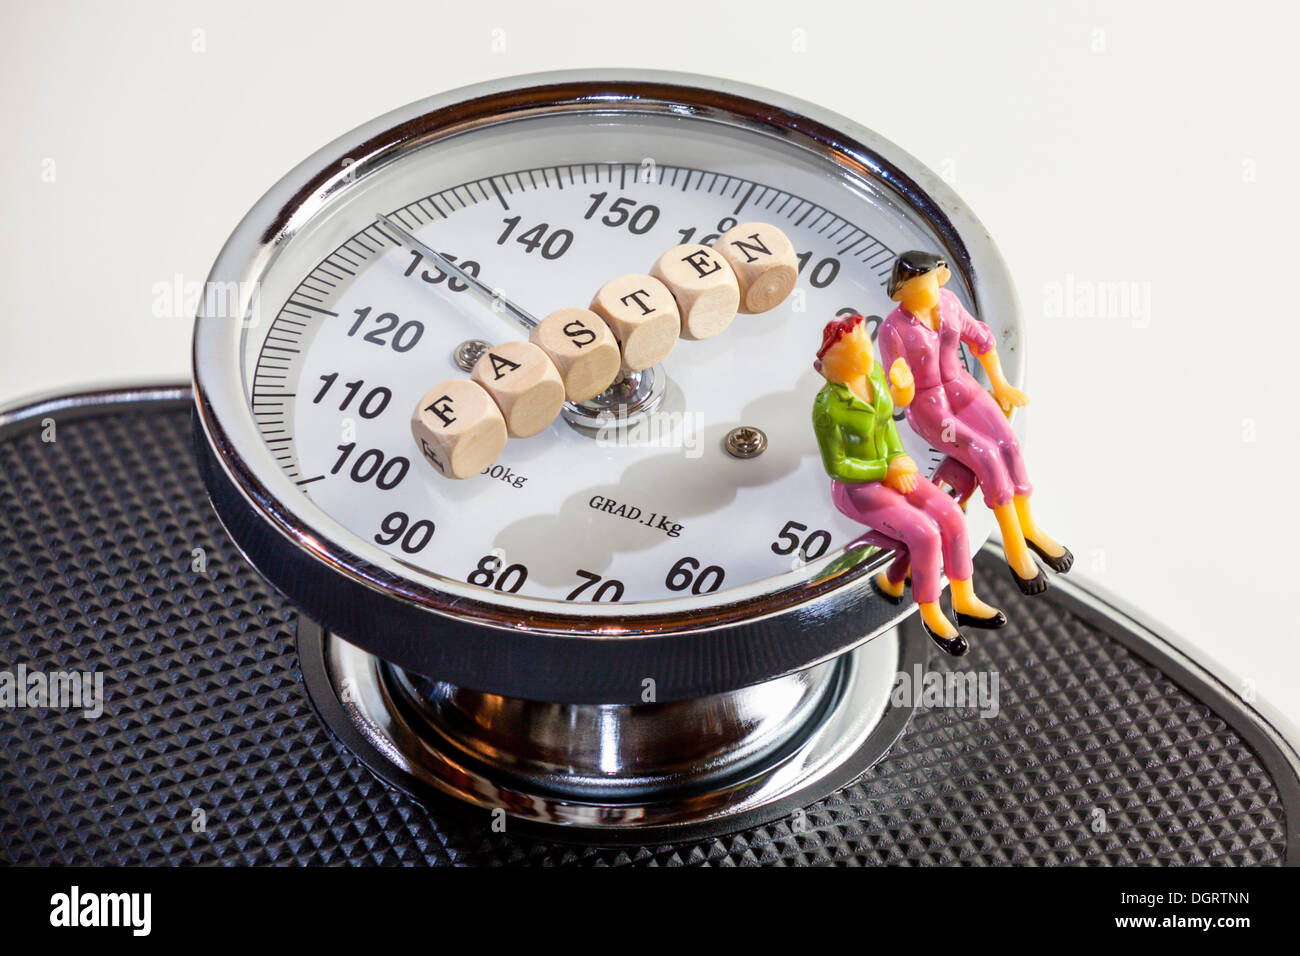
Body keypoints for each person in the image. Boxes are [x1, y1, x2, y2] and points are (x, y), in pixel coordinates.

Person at [878, 251, 1072, 594]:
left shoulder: (950, 303)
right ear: (901, 292)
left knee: (1009, 444)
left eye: (929, 284)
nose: (925, 293)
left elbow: (981, 339)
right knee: (986, 454)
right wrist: (902, 387)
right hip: (928, 406)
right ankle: (1015, 552)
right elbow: (898, 394)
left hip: (961, 386)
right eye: (915, 288)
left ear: (939, 279)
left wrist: (1001, 385)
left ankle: (1030, 528)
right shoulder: (893, 328)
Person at [812, 312, 1005, 656]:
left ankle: (965, 598)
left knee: (950, 514)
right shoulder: (828, 408)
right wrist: (883, 470)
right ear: (832, 364)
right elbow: (838, 466)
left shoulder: (872, 377)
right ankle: (931, 613)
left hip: (893, 468)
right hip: (859, 489)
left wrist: (900, 457)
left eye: (866, 349)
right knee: (924, 533)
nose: (868, 358)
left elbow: (888, 428)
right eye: (857, 354)